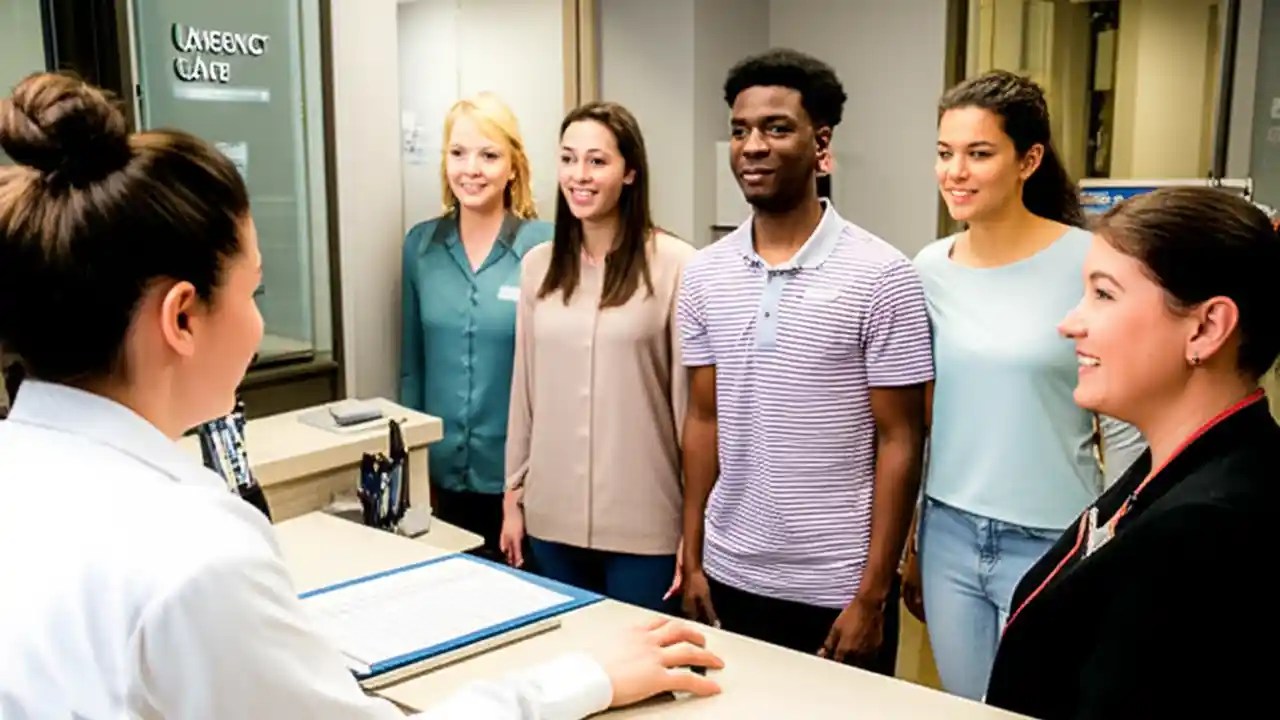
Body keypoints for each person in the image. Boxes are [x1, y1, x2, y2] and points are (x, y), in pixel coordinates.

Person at [0, 72, 722, 718]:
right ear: (182, 317)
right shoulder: (196, 551)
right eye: (256, 291)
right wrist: (584, 679)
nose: (261, 323)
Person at [676, 48, 932, 674]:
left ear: (821, 146)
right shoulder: (704, 275)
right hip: (730, 571)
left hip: (836, 588)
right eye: (740, 131)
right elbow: (703, 421)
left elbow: (902, 438)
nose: (752, 146)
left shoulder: (884, 276)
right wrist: (693, 555)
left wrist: (873, 594)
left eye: (775, 128)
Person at [984, 187, 1280, 718]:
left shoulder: (1206, 532)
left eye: (1104, 295)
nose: (1070, 322)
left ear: (1207, 327)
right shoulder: (1174, 468)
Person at [902, 70, 1146, 700]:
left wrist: (1116, 534)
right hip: (949, 536)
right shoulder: (928, 268)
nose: (955, 171)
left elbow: (1121, 419)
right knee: (967, 707)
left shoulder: (1087, 262)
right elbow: (925, 415)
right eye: (944, 152)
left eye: (978, 153)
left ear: (1028, 160)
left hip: (1053, 537)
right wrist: (914, 540)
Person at [501, 101, 693, 614]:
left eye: (596, 162)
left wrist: (693, 531)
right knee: (571, 673)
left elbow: (690, 411)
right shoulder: (537, 267)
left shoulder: (677, 266)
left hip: (647, 527)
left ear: (630, 172)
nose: (578, 176)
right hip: (551, 521)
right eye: (568, 160)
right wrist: (512, 495)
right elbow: (525, 391)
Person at [400, 93, 551, 560]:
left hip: (522, 485)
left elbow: (556, 378)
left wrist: (523, 487)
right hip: (440, 479)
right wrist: (414, 470)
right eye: (458, 153)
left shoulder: (545, 247)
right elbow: (412, 367)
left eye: (489, 155)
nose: (472, 169)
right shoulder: (420, 246)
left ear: (514, 166)